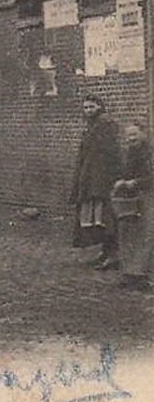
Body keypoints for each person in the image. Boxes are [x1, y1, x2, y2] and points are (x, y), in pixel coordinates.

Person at [69, 94, 122, 270]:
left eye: (91, 107)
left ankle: (112, 255)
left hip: (101, 180)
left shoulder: (105, 125)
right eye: (85, 107)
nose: (88, 110)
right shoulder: (91, 126)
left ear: (99, 106)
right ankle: (106, 252)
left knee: (106, 218)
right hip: (90, 178)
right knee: (98, 219)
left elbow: (111, 154)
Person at [115, 122, 152, 291]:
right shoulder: (127, 153)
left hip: (147, 196)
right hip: (129, 198)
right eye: (128, 136)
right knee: (127, 234)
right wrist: (120, 181)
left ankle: (142, 275)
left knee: (144, 235)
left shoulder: (149, 153)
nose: (131, 139)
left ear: (143, 134)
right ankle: (129, 273)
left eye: (134, 135)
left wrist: (136, 182)